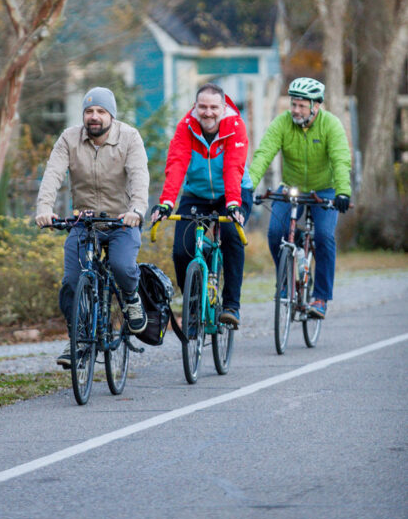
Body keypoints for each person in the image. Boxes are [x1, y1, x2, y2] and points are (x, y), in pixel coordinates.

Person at [36, 87, 150, 368]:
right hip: (85, 222)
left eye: (100, 111)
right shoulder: (69, 138)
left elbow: (139, 176)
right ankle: (78, 339)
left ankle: (131, 298)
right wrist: (44, 209)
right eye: (89, 111)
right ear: (83, 116)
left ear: (111, 115)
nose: (94, 117)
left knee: (122, 266)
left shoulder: (129, 137)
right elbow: (52, 174)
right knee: (73, 282)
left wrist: (136, 210)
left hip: (122, 220)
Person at [248, 76, 351, 319]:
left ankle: (320, 297)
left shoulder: (331, 125)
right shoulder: (282, 123)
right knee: (275, 233)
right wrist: (248, 185)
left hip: (325, 189)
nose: (295, 109)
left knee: (325, 237)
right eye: (293, 104)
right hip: (290, 186)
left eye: (301, 105)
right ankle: (285, 280)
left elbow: (340, 159)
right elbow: (263, 153)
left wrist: (343, 191)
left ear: (316, 106)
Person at [150, 83, 253, 328]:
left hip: (234, 193)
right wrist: (166, 203)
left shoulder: (235, 126)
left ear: (223, 107)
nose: (208, 113)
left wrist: (233, 204)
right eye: (202, 107)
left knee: (231, 236)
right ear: (195, 107)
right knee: (181, 251)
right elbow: (176, 164)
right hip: (196, 194)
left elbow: (233, 166)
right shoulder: (186, 127)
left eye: (214, 107)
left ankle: (231, 306)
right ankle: (193, 303)